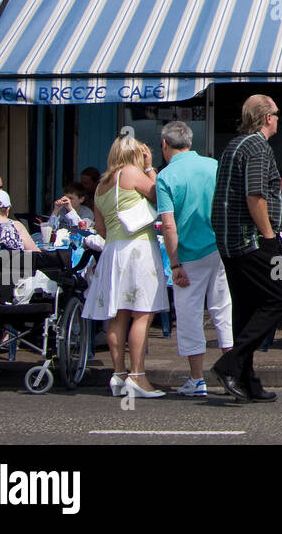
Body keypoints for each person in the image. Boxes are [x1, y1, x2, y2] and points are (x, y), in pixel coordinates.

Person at [209, 94, 282, 404]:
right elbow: (254, 195)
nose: (279, 119)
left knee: (246, 308)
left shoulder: (234, 145)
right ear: (267, 117)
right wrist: (269, 237)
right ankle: (230, 364)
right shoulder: (257, 147)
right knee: (278, 299)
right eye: (277, 113)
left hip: (229, 242)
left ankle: (245, 379)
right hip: (252, 240)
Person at [81, 135, 168, 400]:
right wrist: (151, 167)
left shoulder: (101, 185)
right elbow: (159, 195)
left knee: (117, 315)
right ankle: (138, 376)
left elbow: (101, 228)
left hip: (113, 252)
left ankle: (118, 374)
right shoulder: (130, 173)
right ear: (136, 155)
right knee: (143, 313)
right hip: (138, 248)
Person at [156, 120, 232, 398]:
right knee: (223, 311)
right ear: (190, 142)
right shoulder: (213, 166)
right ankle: (231, 374)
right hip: (219, 249)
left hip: (188, 254)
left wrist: (174, 263)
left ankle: (197, 379)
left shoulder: (165, 176)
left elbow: (168, 225)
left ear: (165, 144)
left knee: (189, 316)